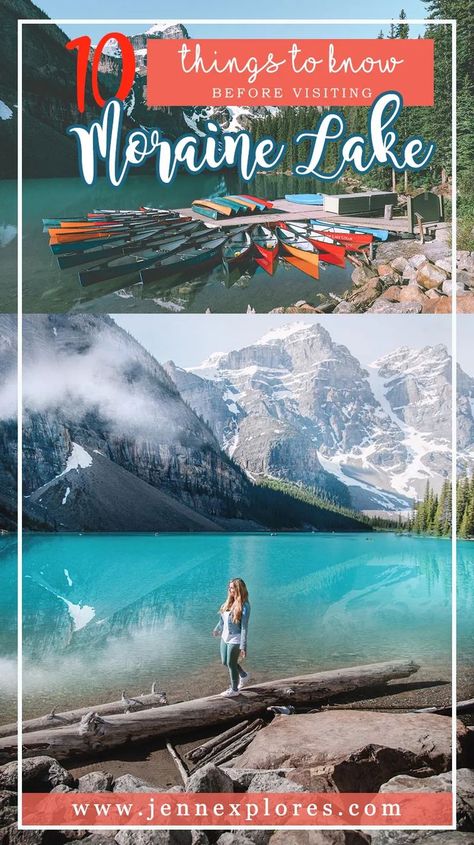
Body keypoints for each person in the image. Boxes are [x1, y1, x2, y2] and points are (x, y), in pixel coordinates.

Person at [212, 578, 251, 697]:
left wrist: (243, 646)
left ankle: (234, 690)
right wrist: (217, 629)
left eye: (232, 587)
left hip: (236, 638)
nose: (230, 590)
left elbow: (244, 627)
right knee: (225, 662)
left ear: (239, 589)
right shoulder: (228, 602)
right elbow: (222, 619)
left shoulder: (245, 606)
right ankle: (244, 675)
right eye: (229, 587)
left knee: (231, 663)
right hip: (225, 637)